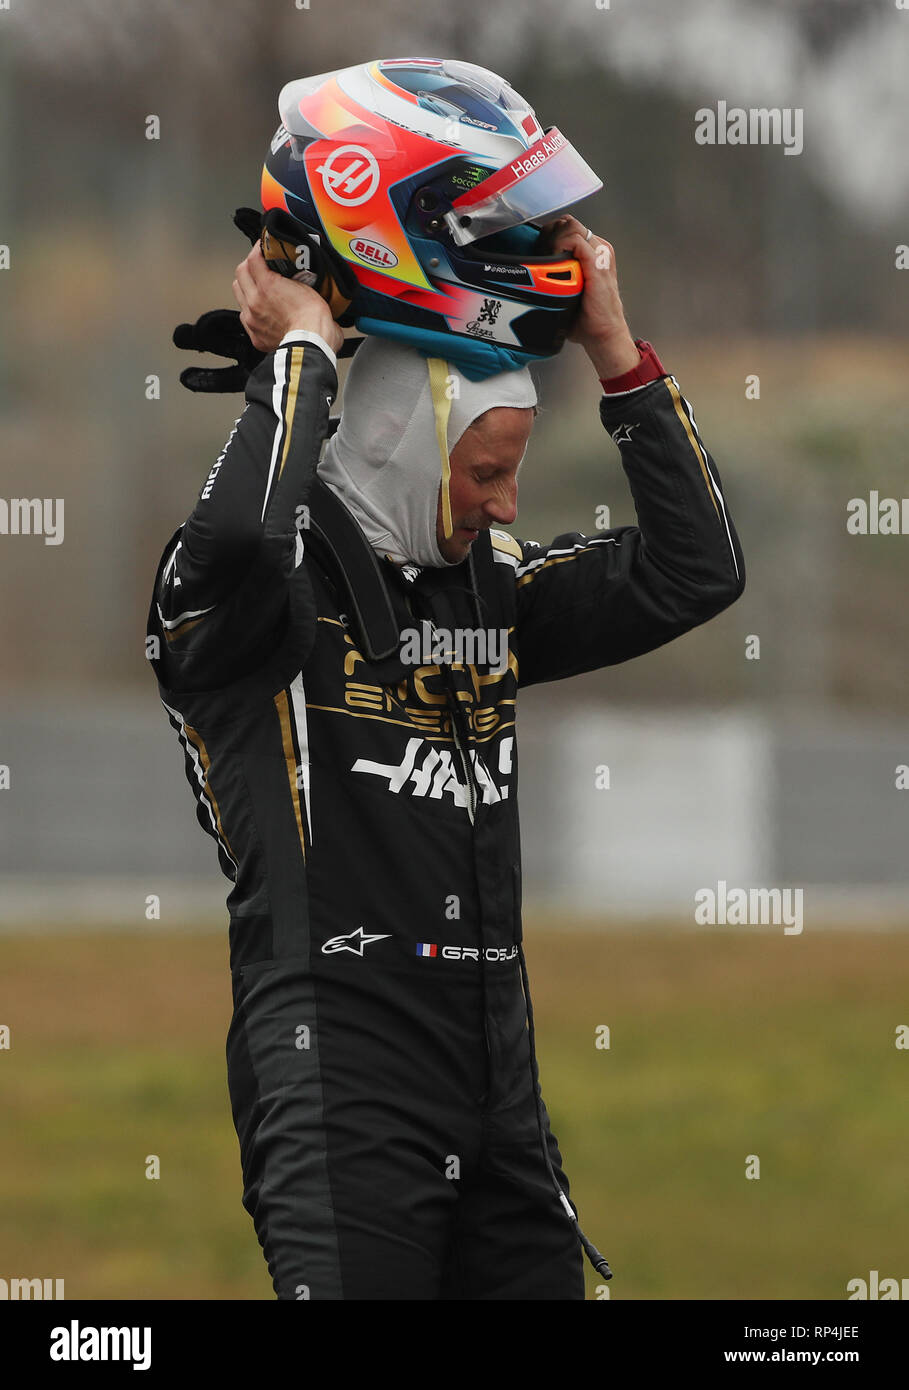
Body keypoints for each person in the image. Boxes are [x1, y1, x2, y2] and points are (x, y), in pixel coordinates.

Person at [147, 59, 745, 1300]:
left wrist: (616, 349)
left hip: (503, 1105)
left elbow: (699, 572)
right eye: (484, 473)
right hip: (338, 1098)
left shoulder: (491, 587)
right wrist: (305, 348)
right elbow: (249, 535)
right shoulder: (250, 597)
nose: (506, 504)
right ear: (393, 438)